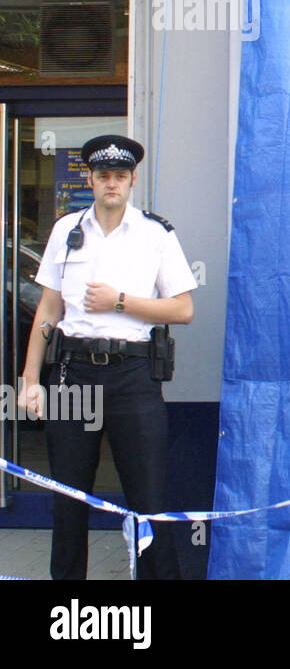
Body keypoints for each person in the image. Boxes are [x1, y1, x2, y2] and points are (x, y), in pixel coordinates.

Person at [18, 135, 195, 579]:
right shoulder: (66, 230)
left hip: (133, 377)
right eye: (103, 176)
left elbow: (182, 309)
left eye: (120, 175)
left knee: (148, 501)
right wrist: (29, 378)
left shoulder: (156, 234)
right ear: (91, 180)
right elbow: (49, 309)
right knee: (68, 498)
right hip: (72, 374)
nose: (111, 183)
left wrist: (120, 302)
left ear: (132, 179)